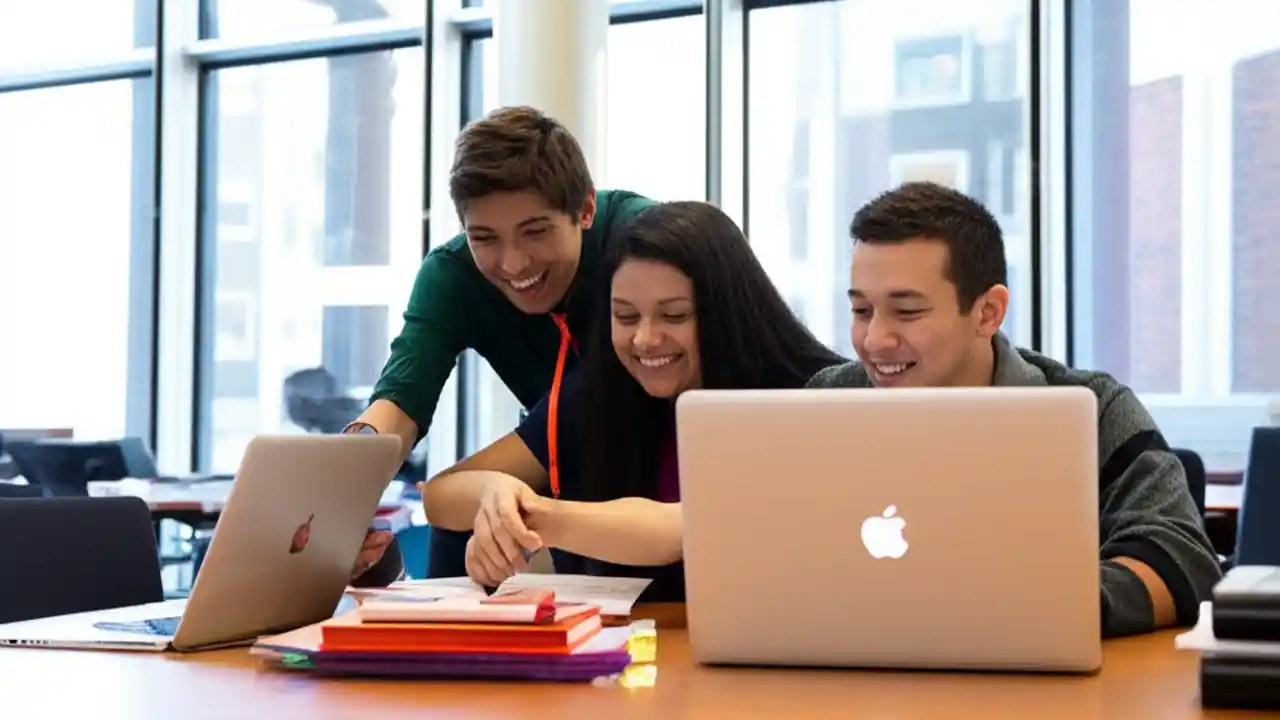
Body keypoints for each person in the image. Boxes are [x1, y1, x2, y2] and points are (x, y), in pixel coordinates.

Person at [806, 181, 1222, 637]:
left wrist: (1025, 610)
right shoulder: (825, 404)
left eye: (907, 313)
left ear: (988, 312)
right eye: (862, 310)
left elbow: (1181, 564)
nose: (874, 340)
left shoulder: (1091, 409)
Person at [420, 201, 846, 598]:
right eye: (625, 316)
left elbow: (688, 525)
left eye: (674, 315)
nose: (645, 339)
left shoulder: (815, 398)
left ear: (726, 313)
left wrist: (534, 515)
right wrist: (500, 497)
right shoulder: (604, 389)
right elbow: (441, 494)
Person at [342, 106, 658, 584]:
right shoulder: (452, 273)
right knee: (463, 513)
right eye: (484, 238)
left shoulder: (642, 242)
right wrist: (347, 477)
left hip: (659, 444)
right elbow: (400, 399)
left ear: (585, 209)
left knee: (461, 497)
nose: (513, 263)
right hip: (561, 444)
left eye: (535, 231)